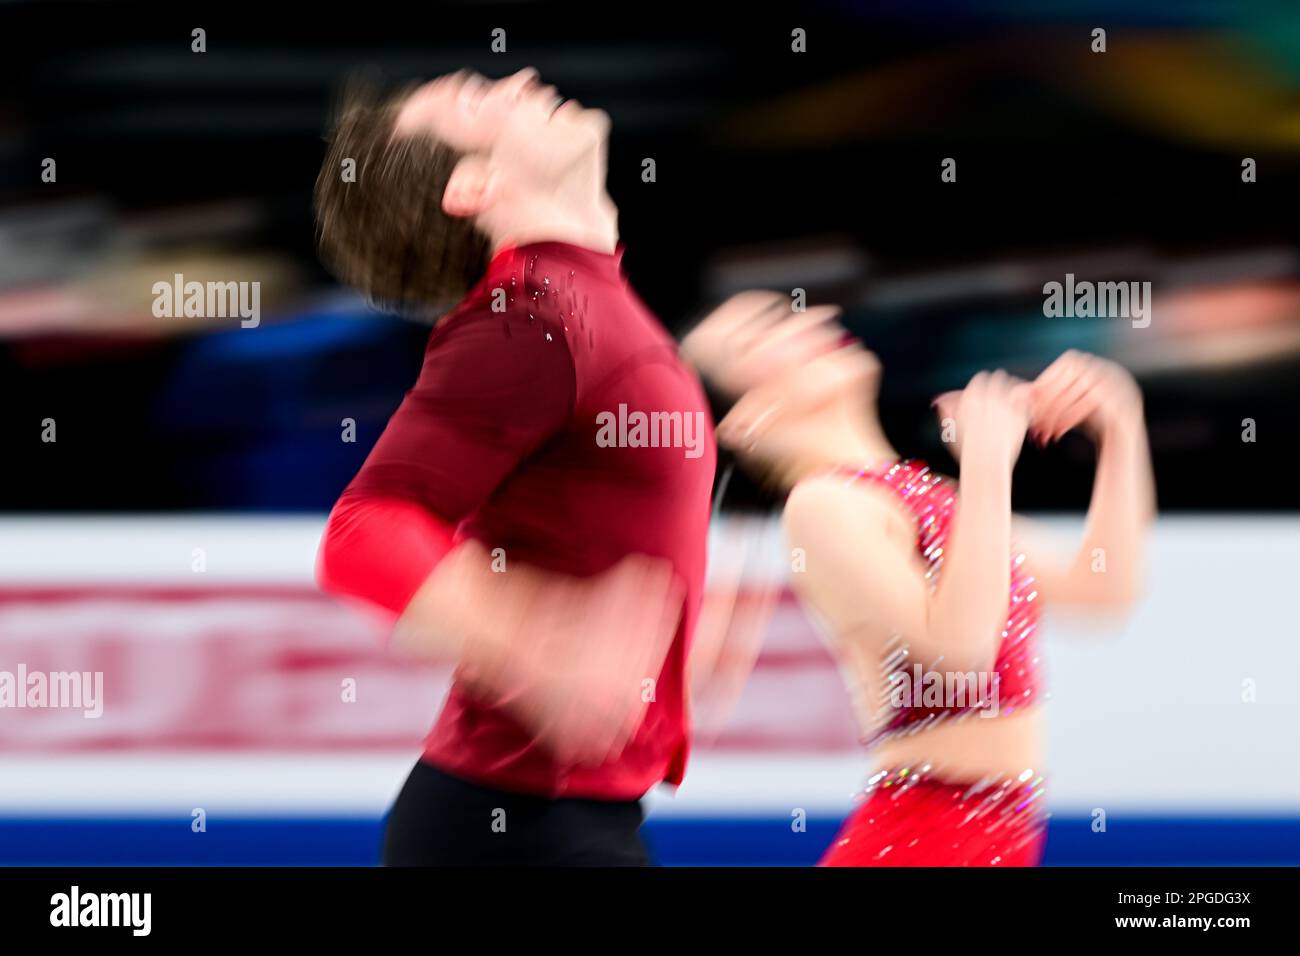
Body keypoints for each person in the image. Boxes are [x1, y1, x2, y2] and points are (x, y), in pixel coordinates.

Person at [312, 68, 717, 865]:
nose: (523, 78)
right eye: (478, 101)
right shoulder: (532, 316)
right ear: (472, 185)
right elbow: (362, 531)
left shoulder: (582, 302)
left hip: (550, 818)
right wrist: (530, 643)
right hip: (519, 826)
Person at [683, 291, 1155, 865]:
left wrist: (1120, 430)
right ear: (742, 421)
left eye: (791, 312)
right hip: (923, 838)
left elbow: (1099, 592)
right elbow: (956, 658)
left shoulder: (927, 495)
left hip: (983, 837)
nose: (812, 319)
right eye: (761, 335)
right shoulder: (824, 503)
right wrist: (986, 466)